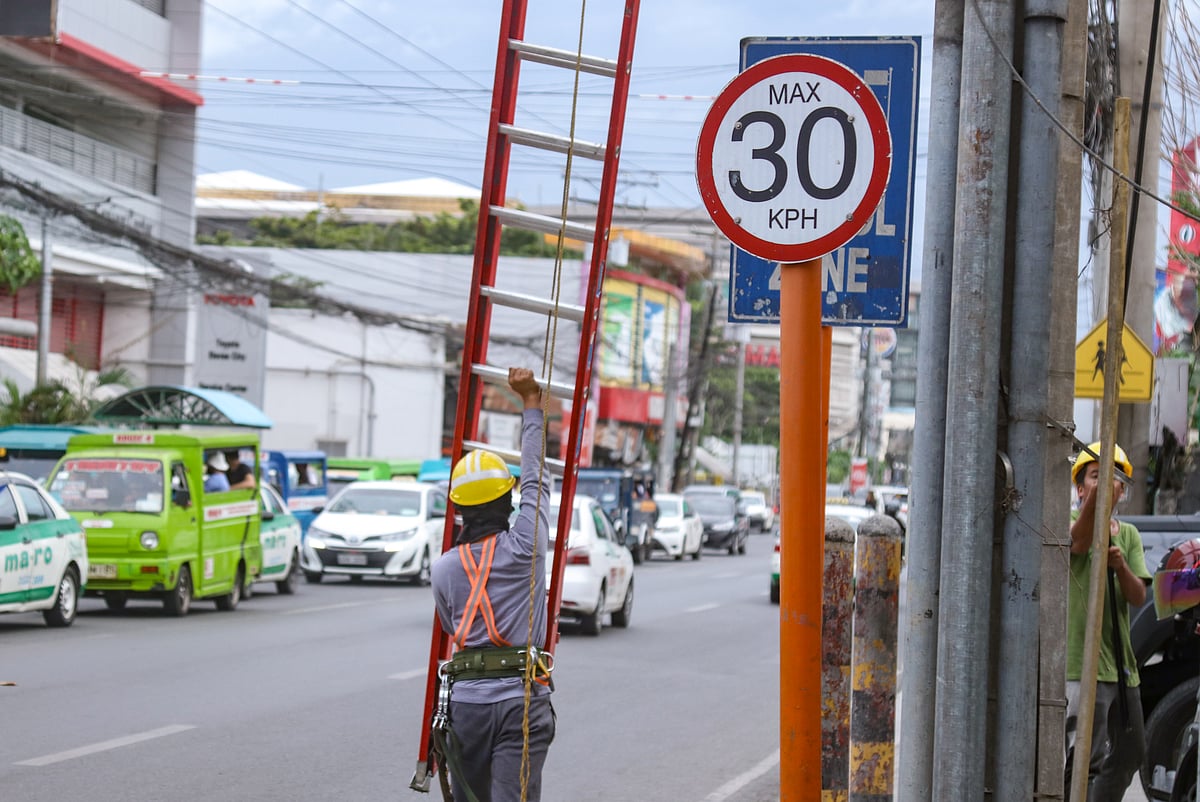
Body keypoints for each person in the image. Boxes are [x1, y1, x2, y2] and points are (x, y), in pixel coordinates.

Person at [430, 367, 555, 802]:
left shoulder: (445, 568)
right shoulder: (527, 546)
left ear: (460, 511)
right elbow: (537, 480)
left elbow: (451, 626)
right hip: (520, 701)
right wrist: (531, 406)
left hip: (466, 708)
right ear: (509, 500)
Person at [1064, 442, 1152, 801]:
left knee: (1132, 750)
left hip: (1121, 666)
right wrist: (1093, 508)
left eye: (1113, 477)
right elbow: (1079, 546)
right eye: (1096, 475)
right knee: (1083, 757)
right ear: (1080, 488)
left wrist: (1121, 566)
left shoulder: (1128, 534)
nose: (1105, 483)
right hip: (1082, 666)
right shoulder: (1069, 524)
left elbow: (1138, 596)